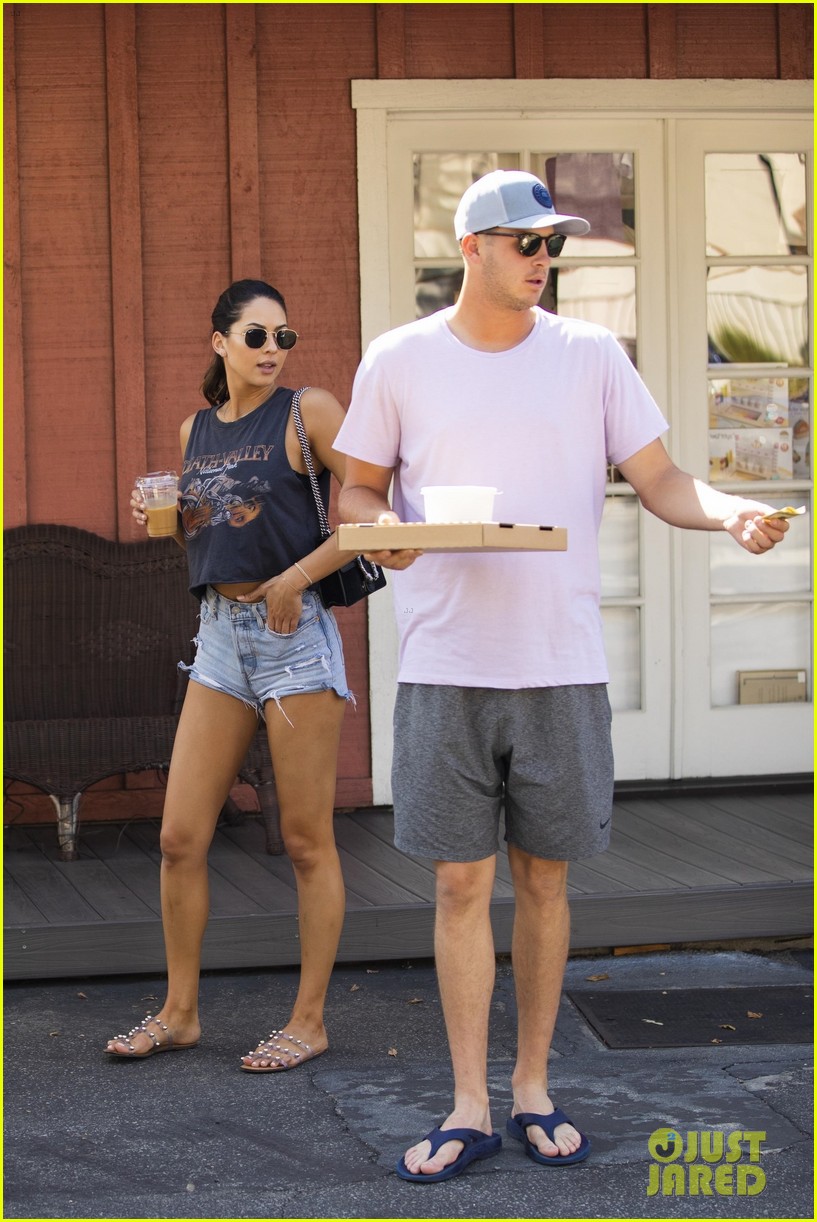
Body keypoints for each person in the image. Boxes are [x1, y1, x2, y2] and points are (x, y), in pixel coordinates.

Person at [335, 170, 791, 1181]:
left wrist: (726, 512)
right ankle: (466, 1104)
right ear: (473, 247)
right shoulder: (398, 359)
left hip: (562, 666)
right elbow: (357, 488)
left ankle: (533, 1086)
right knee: (460, 884)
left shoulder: (589, 355)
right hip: (446, 665)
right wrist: (380, 537)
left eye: (555, 245)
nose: (545, 260)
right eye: (526, 242)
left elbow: (660, 476)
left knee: (545, 882)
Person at [106, 279, 356, 1071]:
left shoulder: (309, 411)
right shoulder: (196, 430)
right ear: (219, 342)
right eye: (256, 337)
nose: (273, 351)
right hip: (220, 636)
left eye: (284, 337)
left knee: (306, 841)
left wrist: (295, 578)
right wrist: (166, 514)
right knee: (180, 837)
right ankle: (180, 1014)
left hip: (295, 636)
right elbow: (203, 539)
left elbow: (371, 508)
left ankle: (308, 1022)